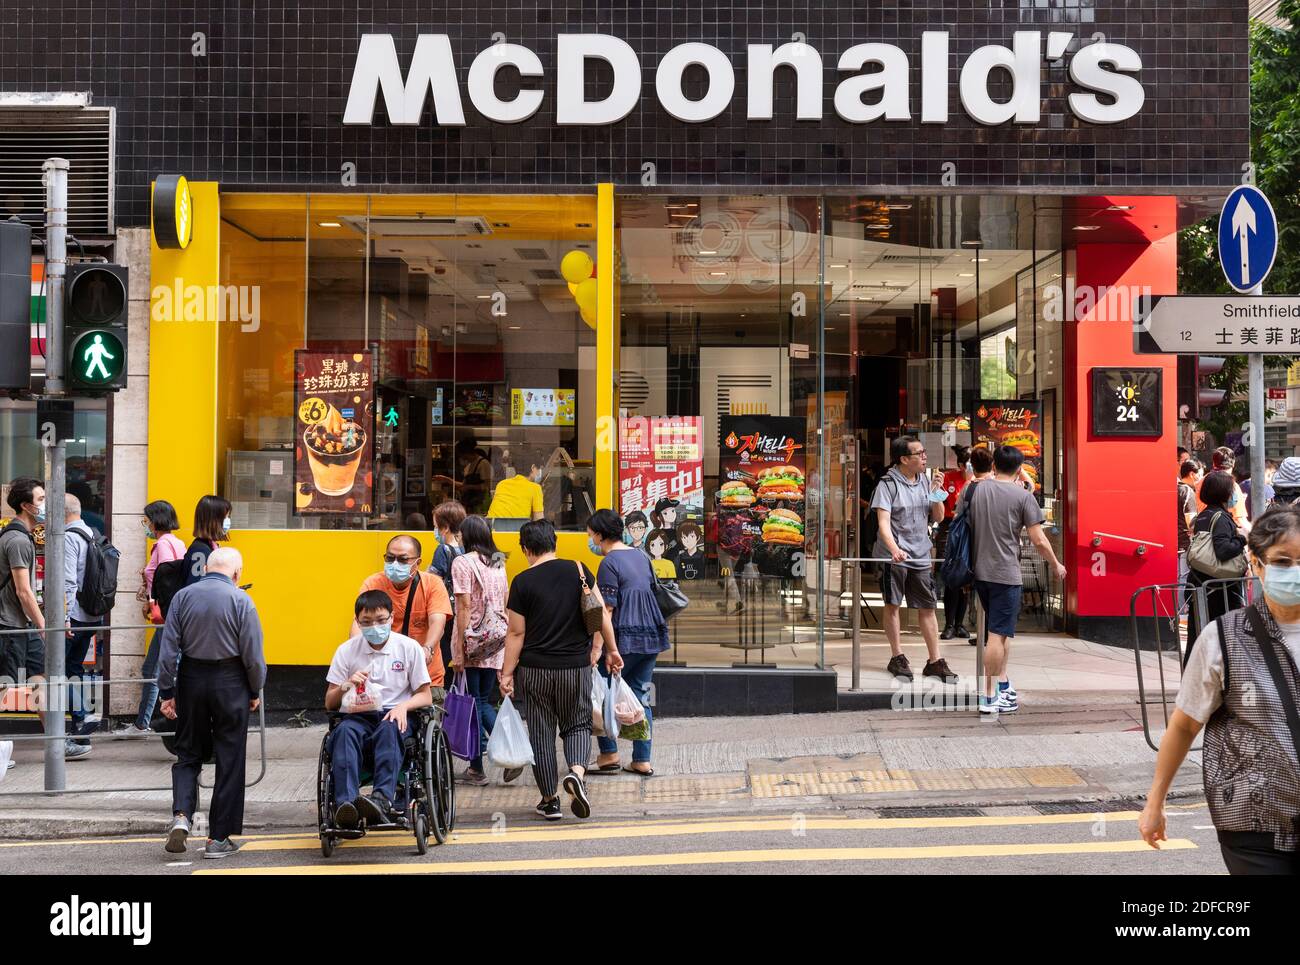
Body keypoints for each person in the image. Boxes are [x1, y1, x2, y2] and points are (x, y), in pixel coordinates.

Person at [1140, 505, 1300, 873]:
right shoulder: (1223, 638)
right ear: (1256, 565)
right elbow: (1183, 726)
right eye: (1282, 561)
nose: (1293, 571)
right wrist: (1155, 800)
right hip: (1254, 824)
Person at [499, 519, 622, 821]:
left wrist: (506, 673)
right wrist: (610, 650)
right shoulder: (579, 570)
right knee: (577, 724)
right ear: (554, 542)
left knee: (541, 733)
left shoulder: (522, 582)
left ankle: (549, 800)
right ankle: (577, 774)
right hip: (574, 666)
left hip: (535, 669)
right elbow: (602, 616)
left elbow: (516, 634)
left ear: (526, 548)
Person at [158, 547, 266, 859]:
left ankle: (181, 814)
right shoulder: (242, 600)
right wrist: (255, 689)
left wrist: (167, 692)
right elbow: (253, 656)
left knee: (188, 751)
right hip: (231, 680)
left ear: (205, 568)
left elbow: (168, 653)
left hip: (191, 677)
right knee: (230, 758)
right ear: (237, 574)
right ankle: (218, 839)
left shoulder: (183, 597)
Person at [960, 446, 1067, 714]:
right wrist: (1055, 564)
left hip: (979, 572)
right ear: (1019, 469)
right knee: (996, 636)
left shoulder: (974, 489)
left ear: (994, 465)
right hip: (1006, 574)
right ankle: (988, 696)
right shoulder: (1023, 496)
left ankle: (1003, 686)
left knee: (1002, 633)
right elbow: (1039, 539)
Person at [325, 590, 433, 828]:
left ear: (392, 617)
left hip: (397, 714)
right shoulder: (346, 651)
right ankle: (347, 806)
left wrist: (404, 706)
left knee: (389, 728)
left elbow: (425, 695)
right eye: (366, 622)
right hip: (358, 715)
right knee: (343, 733)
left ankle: (382, 799)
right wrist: (346, 684)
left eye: (381, 620)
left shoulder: (408, 647)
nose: (374, 626)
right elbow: (330, 703)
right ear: (357, 622)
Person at [869, 436, 958, 683]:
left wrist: (937, 493)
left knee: (928, 606)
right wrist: (894, 549)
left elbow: (938, 517)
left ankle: (935, 661)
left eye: (924, 453)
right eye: (919, 453)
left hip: (919, 553)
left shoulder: (925, 481)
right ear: (904, 459)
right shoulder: (887, 485)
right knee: (893, 604)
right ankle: (897, 656)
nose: (924, 457)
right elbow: (883, 523)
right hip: (893, 556)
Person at [586, 508, 668, 776]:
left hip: (624, 638)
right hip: (651, 636)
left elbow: (605, 611)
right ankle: (642, 760)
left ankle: (609, 754)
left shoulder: (609, 562)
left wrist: (599, 649)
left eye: (590, 535)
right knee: (641, 695)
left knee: (604, 695)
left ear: (600, 535)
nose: (590, 540)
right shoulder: (641, 556)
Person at [449, 515, 517, 785]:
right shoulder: (498, 560)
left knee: (474, 701)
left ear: (466, 536)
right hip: (496, 637)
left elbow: (463, 607)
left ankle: (507, 754)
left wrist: (460, 648)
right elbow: (505, 600)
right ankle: (484, 764)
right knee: (482, 700)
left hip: (474, 638)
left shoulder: (462, 562)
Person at [118, 500, 187, 738]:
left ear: (156, 520)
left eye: (146, 519)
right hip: (172, 616)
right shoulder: (178, 543)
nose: (144, 524)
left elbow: (167, 578)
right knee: (156, 668)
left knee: (158, 669)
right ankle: (145, 721)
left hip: (168, 617)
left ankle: (153, 722)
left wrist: (153, 601)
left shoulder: (163, 545)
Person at [355, 534, 450, 687]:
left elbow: (437, 623)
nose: (395, 563)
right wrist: (355, 652)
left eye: (403, 559)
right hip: (382, 678)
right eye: (390, 558)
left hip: (425, 676)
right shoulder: (373, 583)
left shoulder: (433, 584)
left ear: (417, 563)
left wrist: (427, 649)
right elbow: (359, 623)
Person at [0, 478, 48, 763]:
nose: (44, 504)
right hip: (9, 625)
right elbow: (23, 591)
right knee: (6, 688)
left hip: (23, 625)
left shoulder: (22, 536)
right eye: (41, 499)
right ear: (26, 505)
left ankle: (57, 740)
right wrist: (45, 625)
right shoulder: (17, 540)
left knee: (44, 678)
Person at [1185, 470, 1248, 664]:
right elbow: (1222, 550)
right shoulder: (1220, 518)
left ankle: (1195, 681)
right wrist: (1241, 539)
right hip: (1221, 591)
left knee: (1199, 637)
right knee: (1225, 638)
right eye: (1232, 490)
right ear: (1223, 493)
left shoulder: (1204, 515)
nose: (1235, 495)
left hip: (1201, 585)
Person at [62, 493, 101, 758]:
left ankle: (81, 718)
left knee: (60, 670)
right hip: (92, 615)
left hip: (73, 616)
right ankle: (82, 723)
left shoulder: (68, 537)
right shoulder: (92, 533)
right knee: (74, 668)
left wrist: (63, 617)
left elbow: (68, 582)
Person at [938, 445, 972, 640]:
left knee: (965, 578)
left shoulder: (979, 481)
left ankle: (961, 623)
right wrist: (935, 489)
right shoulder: (949, 478)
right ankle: (949, 624)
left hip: (970, 530)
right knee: (951, 577)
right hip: (950, 528)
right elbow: (938, 503)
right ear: (960, 464)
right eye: (967, 464)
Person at [429, 500, 466, 676]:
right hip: (463, 608)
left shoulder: (443, 549)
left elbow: (434, 580)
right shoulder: (468, 549)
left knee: (441, 650)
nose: (435, 531)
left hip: (447, 609)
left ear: (444, 528)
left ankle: (438, 687)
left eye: (435, 526)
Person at [487, 446, 546, 525]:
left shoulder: (502, 484)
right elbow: (539, 522)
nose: (539, 473)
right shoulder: (535, 488)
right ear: (533, 467)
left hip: (492, 529)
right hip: (515, 531)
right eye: (538, 469)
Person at [434, 438, 492, 515]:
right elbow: (463, 485)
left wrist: (469, 487)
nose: (461, 457)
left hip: (480, 505)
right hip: (469, 504)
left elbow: (487, 486)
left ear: (466, 452)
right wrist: (446, 479)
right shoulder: (468, 466)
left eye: (461, 454)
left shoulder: (483, 464)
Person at [183, 495, 230, 588]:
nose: (228, 521)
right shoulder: (200, 550)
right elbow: (196, 587)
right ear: (213, 520)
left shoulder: (211, 546)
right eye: (225, 517)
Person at [1176, 459, 1203, 611]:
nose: (1200, 478)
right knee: (1184, 579)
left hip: (1171, 541)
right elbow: (1191, 522)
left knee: (1175, 579)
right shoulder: (1187, 492)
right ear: (1192, 474)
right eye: (1199, 475)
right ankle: (1182, 610)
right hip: (1184, 542)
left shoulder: (1172, 488)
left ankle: (1176, 610)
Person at [1205, 448, 1250, 533]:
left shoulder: (1201, 481)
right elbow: (1240, 520)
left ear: (1214, 463)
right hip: (1224, 534)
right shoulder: (1232, 486)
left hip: (1203, 535)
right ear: (1233, 463)